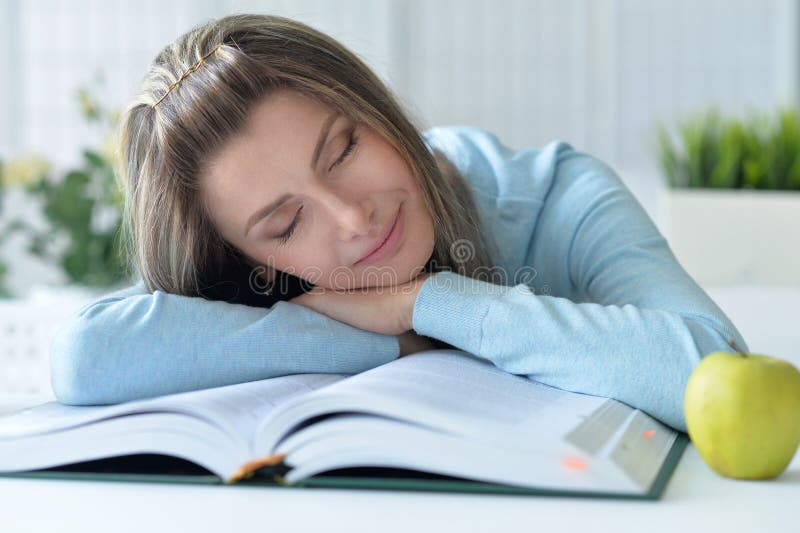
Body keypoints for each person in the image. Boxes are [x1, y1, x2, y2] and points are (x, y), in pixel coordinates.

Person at [49, 13, 748, 433]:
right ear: (247, 262)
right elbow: (88, 357)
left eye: (345, 148)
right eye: (287, 223)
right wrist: (391, 342)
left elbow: (716, 372)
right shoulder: (264, 282)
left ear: (377, 106)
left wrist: (421, 303)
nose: (354, 216)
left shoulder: (557, 195)